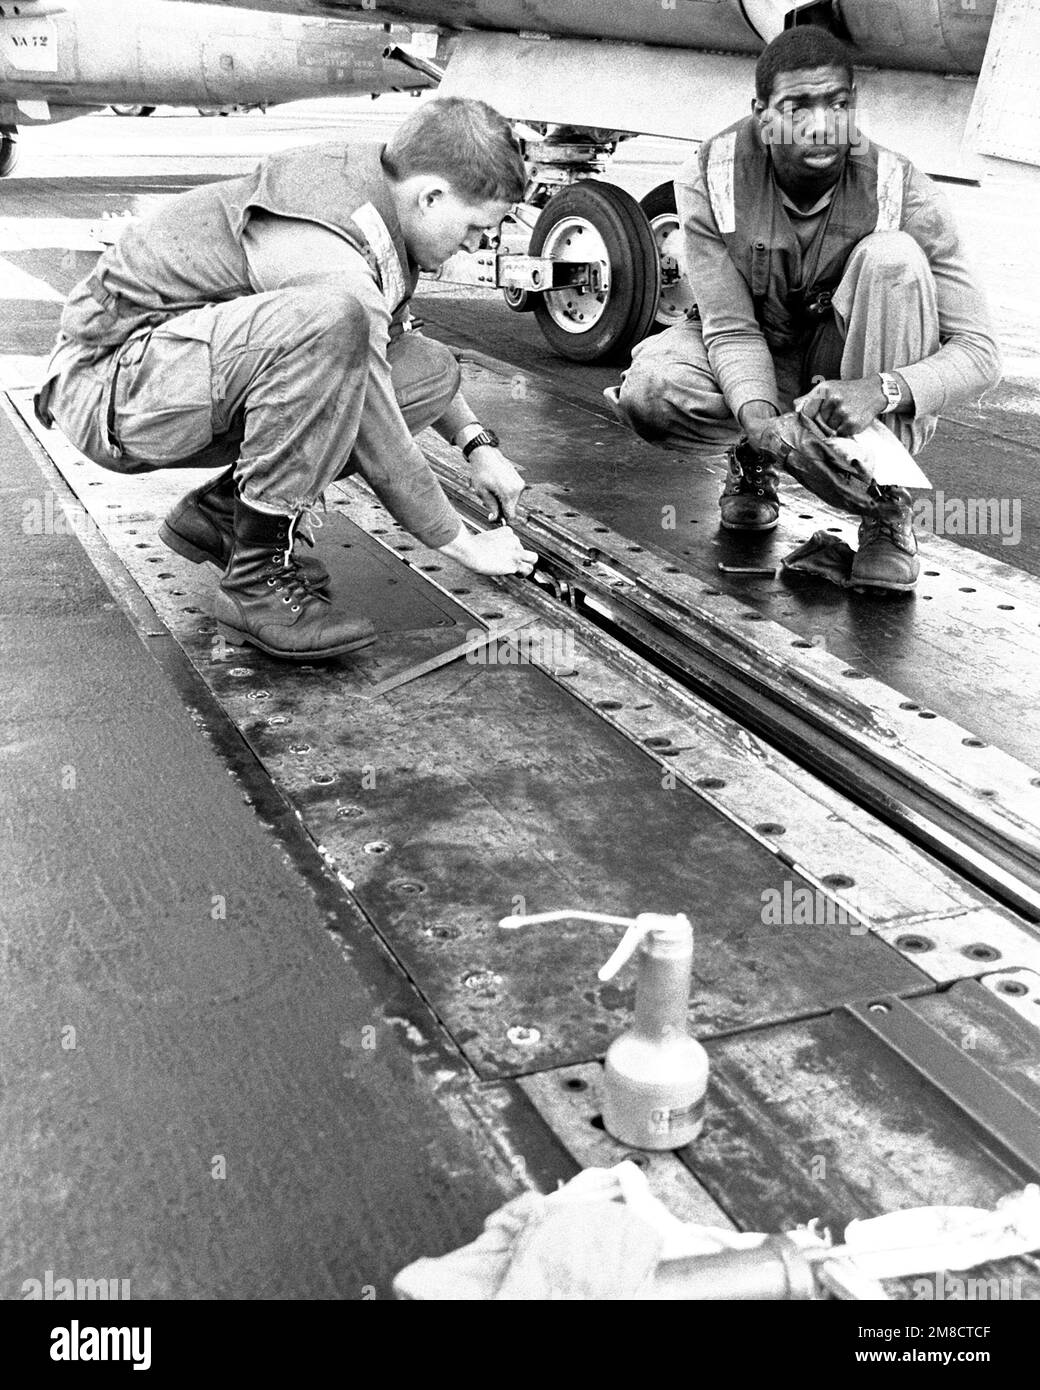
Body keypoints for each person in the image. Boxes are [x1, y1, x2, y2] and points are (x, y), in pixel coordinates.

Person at [36, 97, 538, 659]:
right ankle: (255, 586)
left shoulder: (380, 199)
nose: (478, 245)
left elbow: (391, 349)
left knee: (429, 370)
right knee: (334, 325)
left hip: (182, 376)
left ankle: (227, 514)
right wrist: (462, 543)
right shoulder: (327, 247)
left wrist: (477, 445)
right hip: (110, 387)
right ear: (432, 195)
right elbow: (372, 415)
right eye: (476, 227)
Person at [611, 25, 1002, 592]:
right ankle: (754, 460)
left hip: (847, 370)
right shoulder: (712, 176)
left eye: (838, 104)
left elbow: (981, 353)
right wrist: (764, 427)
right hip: (758, 349)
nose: (822, 124)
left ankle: (884, 507)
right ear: (763, 114)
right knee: (649, 392)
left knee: (893, 258)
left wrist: (881, 391)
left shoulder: (900, 188)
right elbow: (730, 327)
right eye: (797, 106)